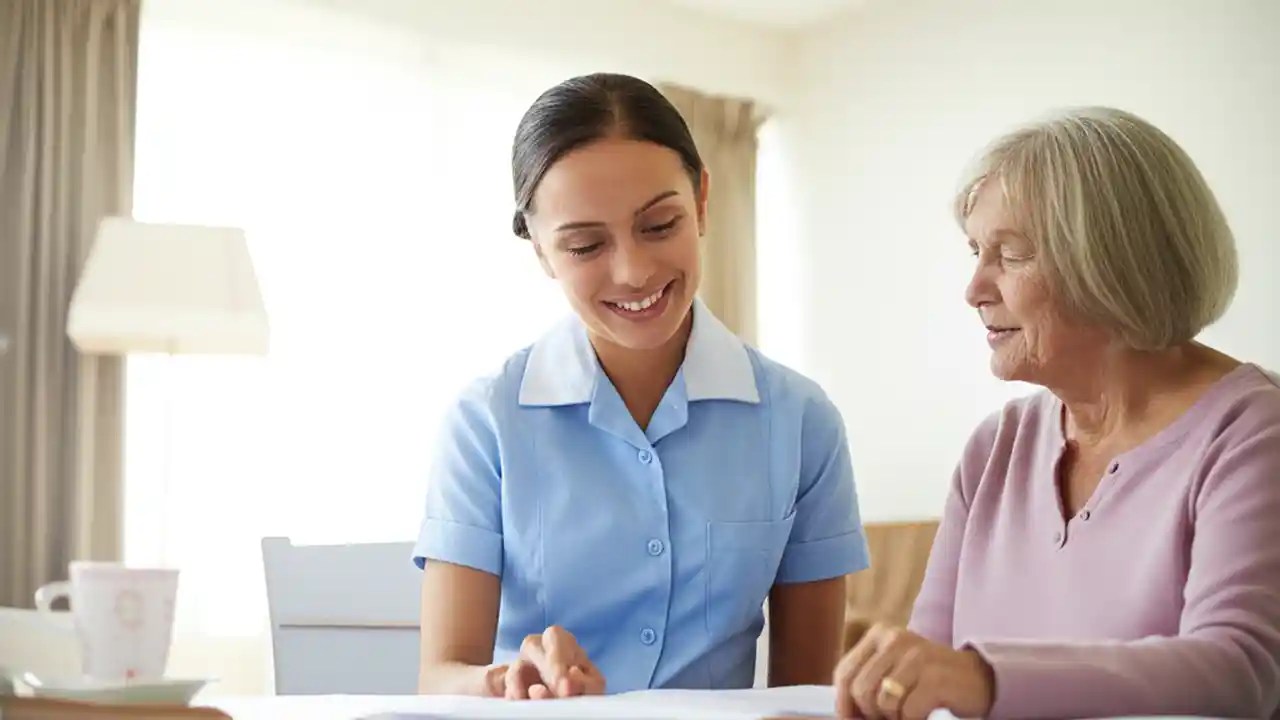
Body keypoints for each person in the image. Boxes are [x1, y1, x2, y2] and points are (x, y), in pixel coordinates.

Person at [413, 73, 869, 700]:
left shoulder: (800, 421)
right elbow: (439, 678)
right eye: (584, 245)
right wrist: (507, 682)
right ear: (542, 251)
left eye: (659, 226)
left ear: (703, 201)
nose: (633, 272)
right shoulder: (485, 422)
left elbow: (808, 695)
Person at [833, 107, 1280, 720]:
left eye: (1011, 255)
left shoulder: (1251, 431)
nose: (975, 289)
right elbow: (929, 662)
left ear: (1113, 262)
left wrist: (985, 680)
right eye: (975, 252)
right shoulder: (996, 448)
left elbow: (1241, 671)